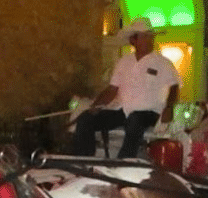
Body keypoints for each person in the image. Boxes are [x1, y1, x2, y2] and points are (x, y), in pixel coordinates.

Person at [70, 18, 180, 158]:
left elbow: (174, 86)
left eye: (150, 36)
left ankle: (124, 160)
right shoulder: (123, 62)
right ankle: (85, 158)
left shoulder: (163, 63)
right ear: (133, 40)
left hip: (149, 112)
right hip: (123, 110)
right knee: (86, 119)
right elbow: (112, 90)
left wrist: (169, 107)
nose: (149, 40)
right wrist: (96, 105)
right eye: (144, 36)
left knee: (135, 120)